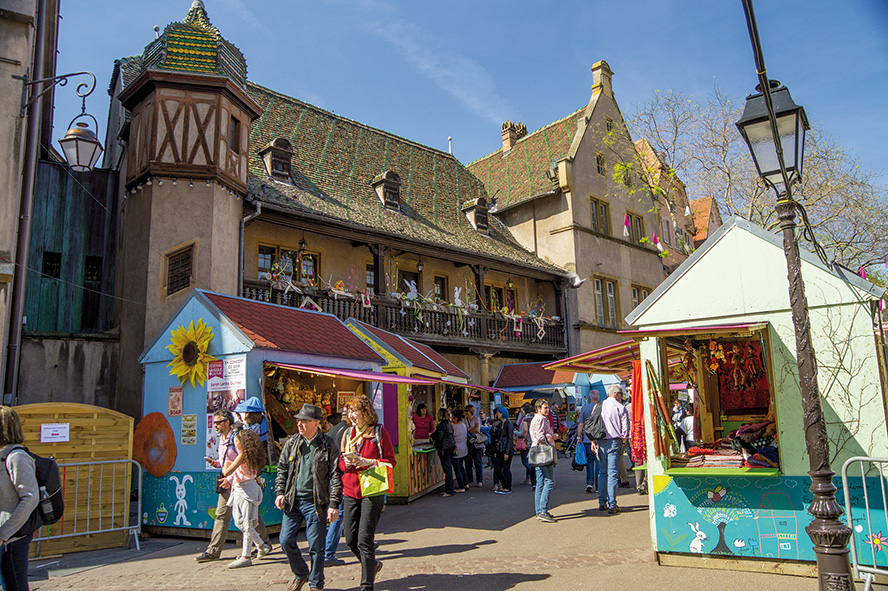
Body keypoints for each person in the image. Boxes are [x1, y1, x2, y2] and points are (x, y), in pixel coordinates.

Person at [275, 404, 343, 591]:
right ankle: (301, 573)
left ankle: (316, 584)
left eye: (304, 421)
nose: (300, 424)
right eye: (299, 420)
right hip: (293, 501)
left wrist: (334, 504)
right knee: (285, 540)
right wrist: (280, 492)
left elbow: (335, 475)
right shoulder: (292, 443)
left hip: (316, 502)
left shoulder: (327, 444)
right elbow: (282, 469)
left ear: (316, 423)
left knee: (316, 546)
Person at [196, 409, 272, 563]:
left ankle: (261, 546)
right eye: (214, 422)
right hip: (228, 482)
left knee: (251, 516)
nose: (215, 425)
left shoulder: (237, 438)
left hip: (240, 482)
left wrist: (229, 478)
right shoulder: (222, 439)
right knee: (222, 515)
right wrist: (217, 463)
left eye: (218, 422)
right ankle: (214, 551)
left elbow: (244, 460)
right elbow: (228, 461)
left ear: (227, 422)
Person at [339, 395, 397, 591]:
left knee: (365, 539)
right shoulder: (348, 434)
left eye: (355, 411)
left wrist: (369, 462)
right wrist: (346, 462)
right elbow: (340, 464)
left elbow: (391, 461)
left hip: (371, 490)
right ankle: (372, 564)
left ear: (366, 413)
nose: (351, 415)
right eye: (349, 411)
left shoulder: (379, 432)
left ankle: (366, 585)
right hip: (351, 490)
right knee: (350, 538)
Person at [0, 406, 39, 591]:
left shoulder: (16, 457)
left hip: (12, 538)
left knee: (15, 586)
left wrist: (4, 534)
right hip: (4, 535)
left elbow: (30, 498)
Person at [220, 429, 267, 569]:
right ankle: (261, 545)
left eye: (236, 440)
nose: (235, 443)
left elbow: (226, 471)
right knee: (242, 521)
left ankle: (246, 556)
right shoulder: (252, 455)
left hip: (245, 489)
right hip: (247, 488)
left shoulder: (242, 456)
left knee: (245, 522)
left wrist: (226, 461)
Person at [592, 384, 629, 515]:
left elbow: (593, 424)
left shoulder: (598, 406)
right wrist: (623, 442)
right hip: (615, 440)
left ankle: (602, 501)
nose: (621, 397)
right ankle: (612, 504)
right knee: (612, 472)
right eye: (621, 394)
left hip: (601, 441)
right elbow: (625, 428)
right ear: (616, 394)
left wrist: (593, 441)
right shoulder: (620, 407)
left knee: (603, 472)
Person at [324, 413, 352, 567]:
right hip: (342, 476)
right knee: (339, 514)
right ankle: (328, 553)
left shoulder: (331, 431)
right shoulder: (349, 431)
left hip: (331, 476)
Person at [530, 399, 557, 522]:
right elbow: (541, 436)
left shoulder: (535, 419)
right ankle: (542, 510)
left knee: (540, 482)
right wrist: (551, 437)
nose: (547, 409)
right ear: (538, 409)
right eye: (545, 408)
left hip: (536, 451)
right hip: (543, 451)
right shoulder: (541, 419)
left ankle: (539, 510)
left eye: (548, 407)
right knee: (549, 481)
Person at [576, 391, 600, 493]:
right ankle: (599, 485)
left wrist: (578, 437)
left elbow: (580, 424)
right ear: (598, 397)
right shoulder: (601, 407)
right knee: (599, 462)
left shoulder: (584, 408)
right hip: (599, 438)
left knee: (590, 462)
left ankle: (589, 483)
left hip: (587, 438)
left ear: (589, 398)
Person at [432, 408, 457, 496]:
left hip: (444, 448)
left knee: (447, 469)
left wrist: (432, 436)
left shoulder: (441, 425)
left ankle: (449, 490)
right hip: (450, 447)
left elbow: (439, 437)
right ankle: (449, 489)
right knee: (449, 468)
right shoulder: (449, 424)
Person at [491, 407, 514, 494]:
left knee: (506, 468)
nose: (497, 415)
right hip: (500, 449)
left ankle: (507, 487)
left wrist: (507, 451)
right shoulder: (500, 425)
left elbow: (510, 439)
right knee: (497, 468)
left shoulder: (508, 425)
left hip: (505, 449)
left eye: (498, 413)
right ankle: (504, 485)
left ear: (501, 414)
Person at [464, 405, 484, 487]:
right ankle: (470, 480)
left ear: (471, 412)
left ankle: (479, 480)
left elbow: (477, 429)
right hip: (468, 443)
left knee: (477, 462)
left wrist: (469, 429)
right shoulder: (464, 420)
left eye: (467, 411)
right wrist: (472, 429)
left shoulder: (476, 419)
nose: (465, 413)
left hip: (477, 443)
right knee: (468, 462)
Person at [516, 403, 535, 487]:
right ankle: (529, 477)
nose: (521, 413)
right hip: (533, 441)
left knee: (525, 460)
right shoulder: (534, 417)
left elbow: (524, 431)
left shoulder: (525, 420)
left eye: (522, 411)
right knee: (530, 460)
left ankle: (533, 474)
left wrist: (516, 433)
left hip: (526, 442)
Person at [450, 409, 468, 493]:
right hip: (464, 449)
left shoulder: (454, 427)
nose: (452, 419)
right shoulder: (464, 425)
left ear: (456, 418)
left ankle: (461, 486)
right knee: (461, 467)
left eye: (453, 417)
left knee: (457, 469)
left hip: (456, 451)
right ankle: (466, 483)